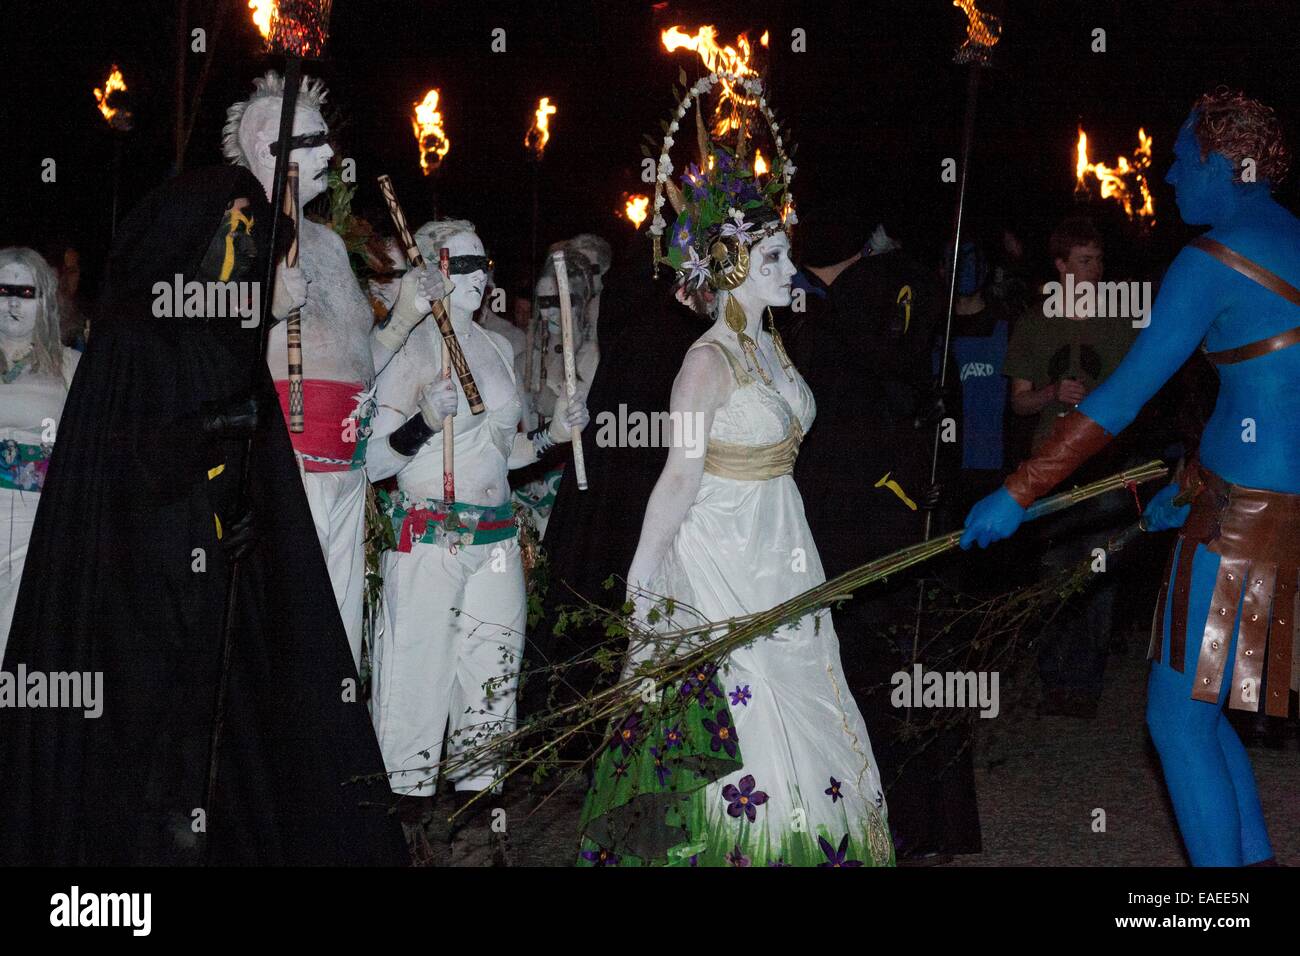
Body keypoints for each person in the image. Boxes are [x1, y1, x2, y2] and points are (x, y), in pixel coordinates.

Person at [0, 166, 406, 865]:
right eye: (235, 233)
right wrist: (211, 425)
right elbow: (125, 458)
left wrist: (239, 514)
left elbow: (245, 474)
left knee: (207, 743)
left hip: (209, 577)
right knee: (137, 748)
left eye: (254, 237)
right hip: (132, 591)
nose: (244, 252)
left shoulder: (229, 345)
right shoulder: (133, 337)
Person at [962, 90, 1298, 866]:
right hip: (1267, 503)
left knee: (1177, 722)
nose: (1170, 178)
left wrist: (1018, 491)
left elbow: (1120, 397)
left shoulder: (1213, 260)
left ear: (1221, 164)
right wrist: (1193, 482)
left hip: (1245, 518)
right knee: (1204, 712)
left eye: (1182, 162)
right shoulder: (1289, 239)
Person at [577, 71, 893, 867]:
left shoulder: (770, 342)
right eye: (778, 254)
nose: (793, 267)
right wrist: (642, 587)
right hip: (722, 553)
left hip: (780, 540)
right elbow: (678, 479)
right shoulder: (705, 363)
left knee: (805, 685)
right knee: (745, 700)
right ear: (732, 263)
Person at [365, 219, 587, 858]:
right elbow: (374, 461)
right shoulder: (409, 349)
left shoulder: (492, 349)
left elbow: (504, 452)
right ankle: (404, 830)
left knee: (492, 677)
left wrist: (553, 438)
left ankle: (477, 826)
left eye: (482, 263)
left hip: (495, 542)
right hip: (432, 537)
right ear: (430, 272)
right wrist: (423, 422)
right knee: (417, 680)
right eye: (460, 266)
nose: (479, 277)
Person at [223, 71, 443, 670]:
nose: (329, 154)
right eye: (314, 142)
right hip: (281, 474)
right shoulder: (234, 227)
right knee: (279, 640)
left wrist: (406, 314)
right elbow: (199, 350)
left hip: (347, 478)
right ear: (271, 149)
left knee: (337, 646)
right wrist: (264, 310)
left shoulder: (322, 242)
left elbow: (358, 363)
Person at [1002, 216, 1138, 717]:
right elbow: (1018, 403)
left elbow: (1138, 392)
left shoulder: (1119, 323)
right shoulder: (1035, 324)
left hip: (1106, 466)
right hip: (1050, 466)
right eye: (1085, 261)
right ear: (1061, 266)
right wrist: (1052, 393)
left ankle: (1085, 686)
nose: (1096, 270)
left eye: (1099, 260)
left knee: (1099, 573)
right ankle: (1054, 680)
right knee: (1054, 576)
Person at [0, 248, 79, 654]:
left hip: (36, 518)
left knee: (17, 633)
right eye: (3, 289)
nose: (12, 301)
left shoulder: (71, 368)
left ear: (44, 298)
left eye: (24, 291)